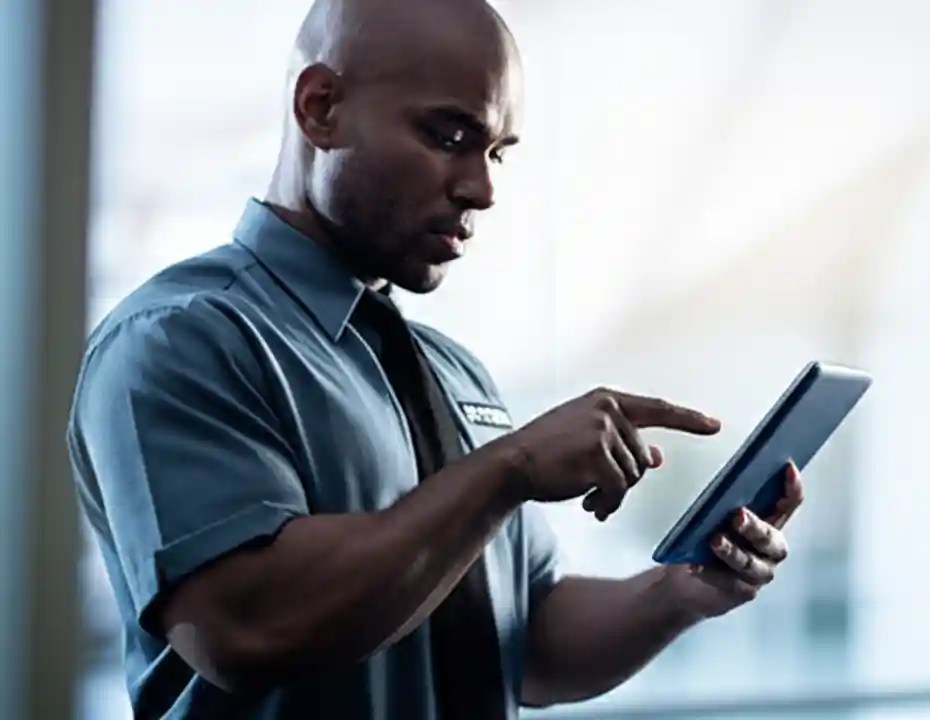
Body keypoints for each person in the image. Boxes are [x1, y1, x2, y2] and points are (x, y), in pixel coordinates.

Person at [66, 0, 804, 717]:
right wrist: (507, 470)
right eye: (450, 137)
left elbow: (530, 644)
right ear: (320, 107)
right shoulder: (180, 338)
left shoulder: (452, 373)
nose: (481, 189)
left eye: (496, 153)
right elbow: (249, 629)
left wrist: (679, 592)